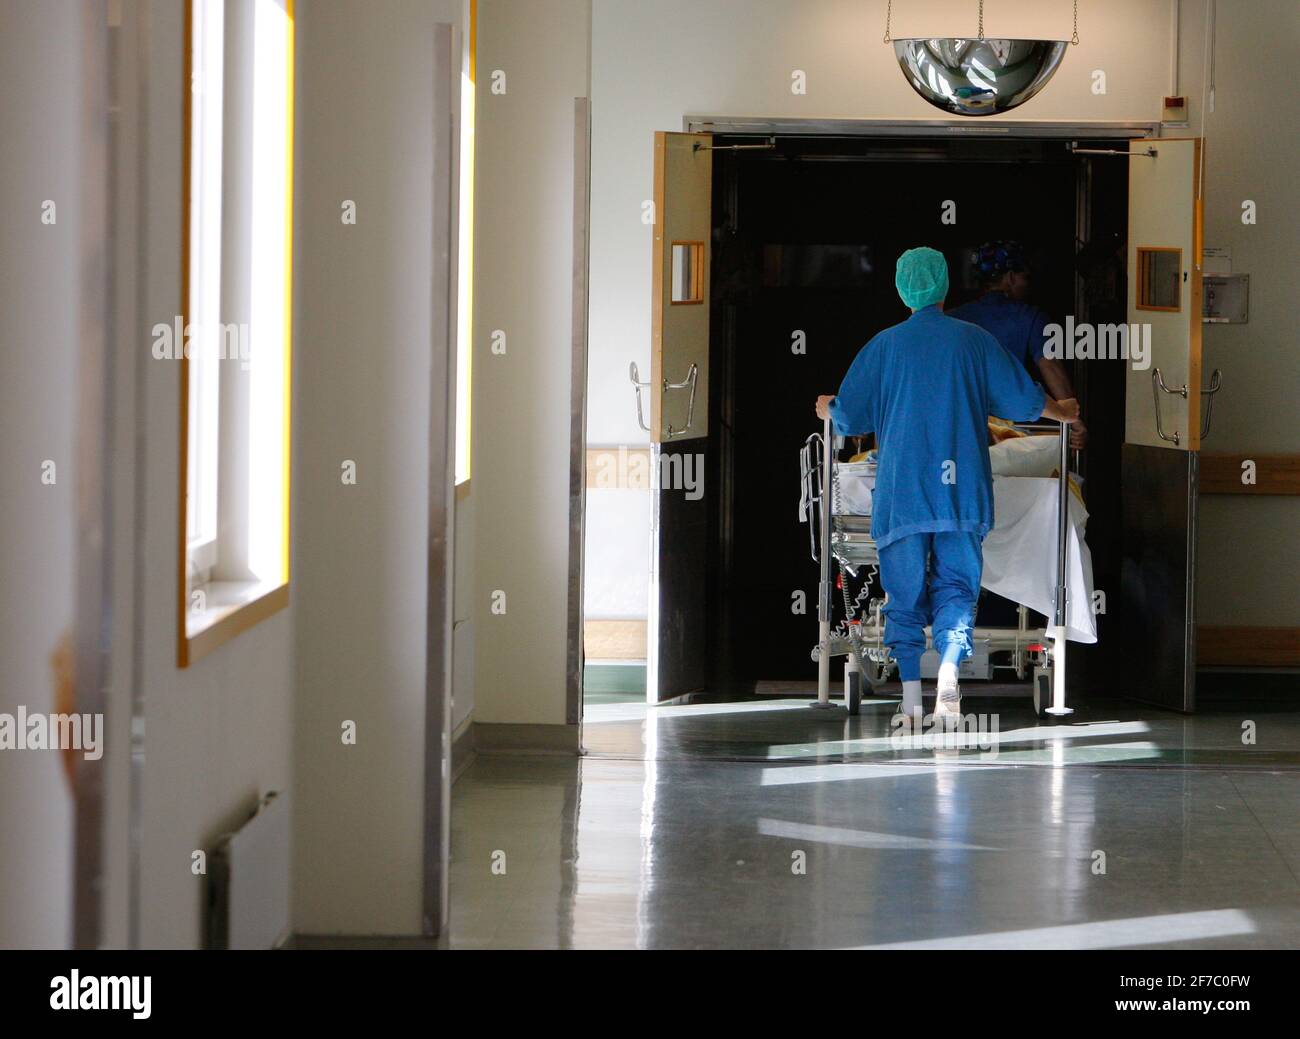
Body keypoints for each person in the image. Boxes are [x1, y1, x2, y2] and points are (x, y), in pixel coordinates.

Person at [815, 247, 1079, 724]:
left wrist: (826, 408)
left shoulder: (884, 346)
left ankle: (912, 697)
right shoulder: (974, 342)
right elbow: (1022, 400)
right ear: (943, 287)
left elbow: (851, 414)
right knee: (958, 587)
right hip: (961, 492)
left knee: (904, 593)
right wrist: (1062, 411)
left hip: (904, 492)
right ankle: (950, 685)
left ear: (901, 288)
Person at [949, 240, 1087, 448]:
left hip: (960, 427)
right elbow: (1050, 366)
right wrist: (1075, 422)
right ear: (1011, 277)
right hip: (1011, 432)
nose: (1027, 284)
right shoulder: (1030, 317)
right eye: (1025, 277)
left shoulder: (953, 319)